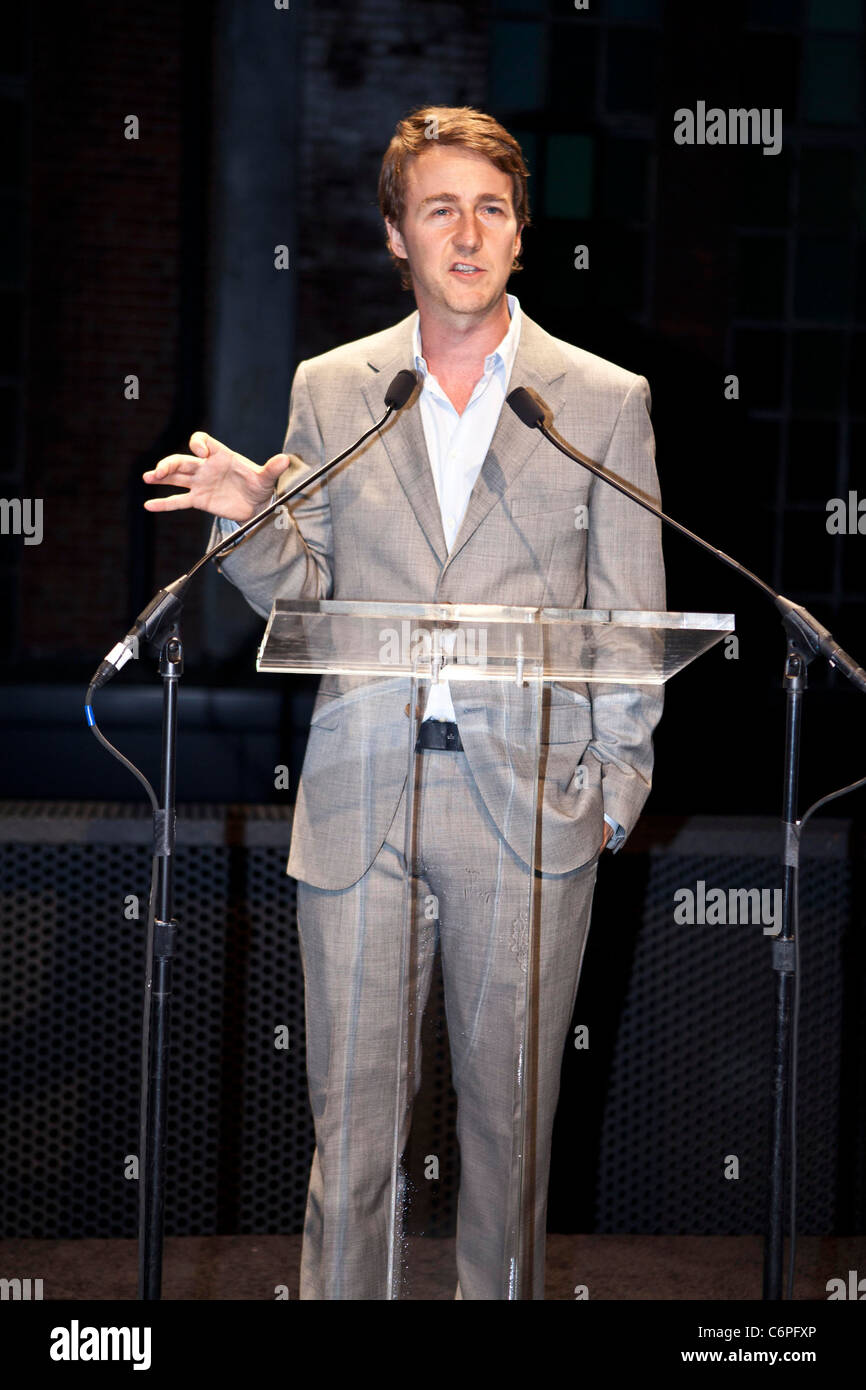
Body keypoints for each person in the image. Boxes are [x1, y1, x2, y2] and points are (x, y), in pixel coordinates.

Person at [143, 106, 666, 1299]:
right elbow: (305, 589)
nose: (466, 234)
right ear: (396, 234)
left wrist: (612, 796)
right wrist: (246, 516)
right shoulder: (336, 391)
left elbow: (631, 621)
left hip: (530, 816)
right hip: (361, 802)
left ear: (520, 236)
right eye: (439, 209)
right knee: (353, 1144)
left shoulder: (599, 400)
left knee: (507, 1148)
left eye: (490, 209)